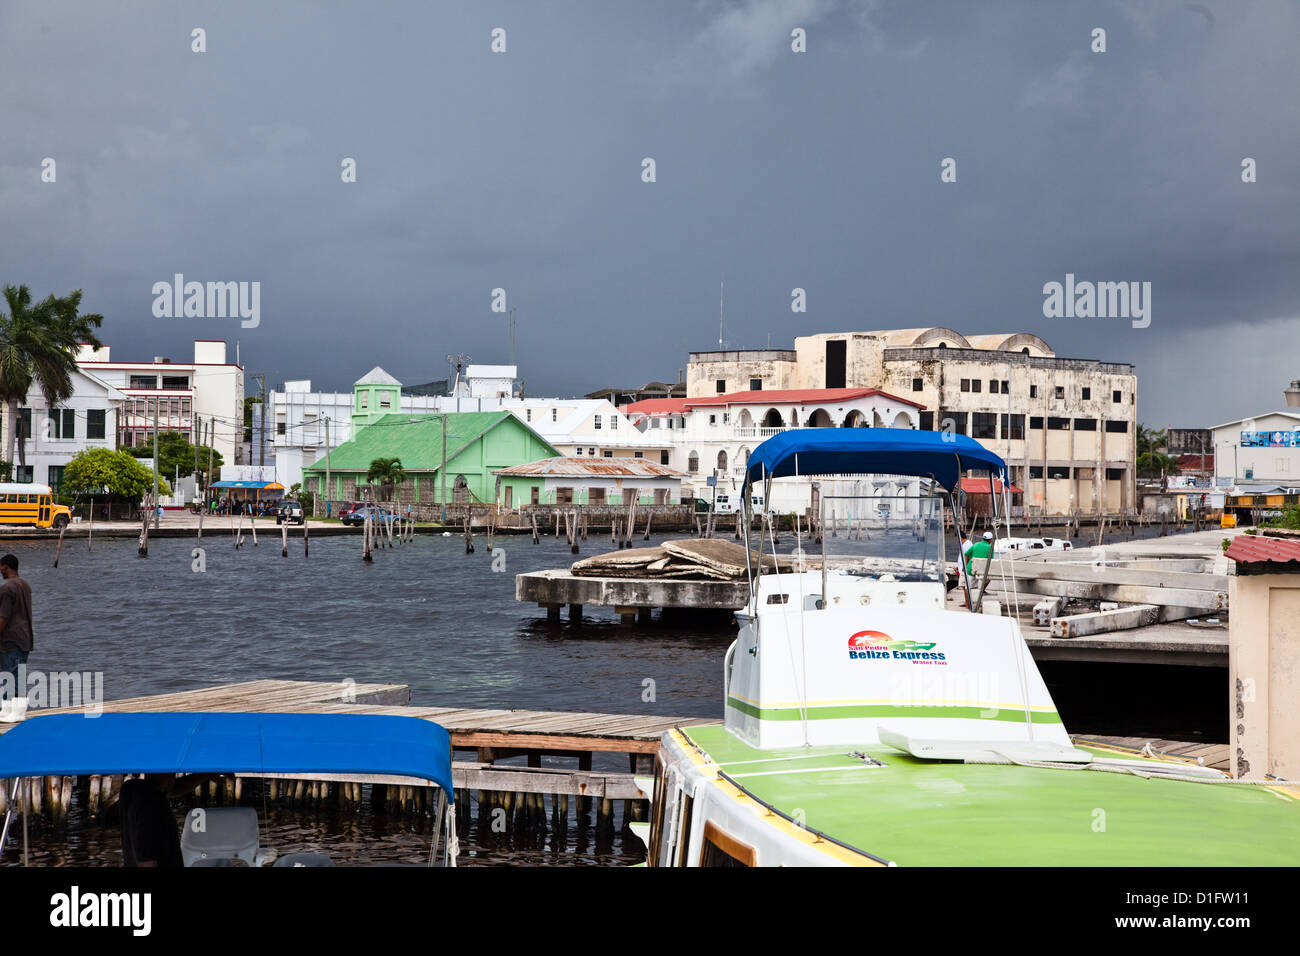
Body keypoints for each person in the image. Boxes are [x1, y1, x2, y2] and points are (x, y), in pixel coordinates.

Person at [119, 773, 218, 867]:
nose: (173, 776)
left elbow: (172, 789)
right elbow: (146, 858)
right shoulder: (150, 803)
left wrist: (206, 775)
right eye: (172, 773)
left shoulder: (131, 789)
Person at [0, 554, 33, 703]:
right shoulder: (25, 584)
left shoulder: (7, 588)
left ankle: (6, 713)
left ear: (6, 566)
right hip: (25, 639)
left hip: (10, 642)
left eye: (1, 567)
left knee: (7, 679)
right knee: (19, 679)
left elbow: (3, 618)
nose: (0, 571)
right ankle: (18, 713)